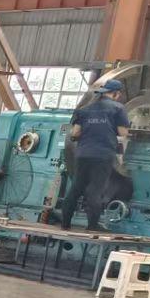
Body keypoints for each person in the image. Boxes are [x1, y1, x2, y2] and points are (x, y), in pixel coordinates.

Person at [54, 78, 130, 230]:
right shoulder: (118, 109)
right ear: (116, 94)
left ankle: (65, 224)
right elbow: (123, 133)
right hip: (103, 155)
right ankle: (92, 227)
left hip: (83, 153)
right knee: (95, 190)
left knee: (76, 188)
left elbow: (75, 133)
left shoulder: (85, 109)